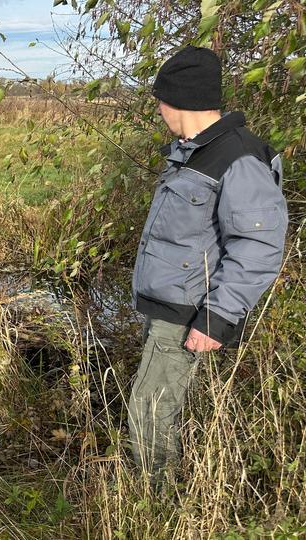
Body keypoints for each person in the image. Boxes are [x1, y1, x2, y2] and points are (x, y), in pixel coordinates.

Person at [128, 45, 288, 487]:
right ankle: (157, 495)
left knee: (150, 408)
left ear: (178, 100)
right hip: (169, 305)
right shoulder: (193, 152)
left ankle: (154, 502)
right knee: (155, 404)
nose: (158, 109)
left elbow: (257, 248)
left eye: (160, 100)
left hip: (188, 311)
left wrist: (215, 319)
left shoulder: (238, 159)